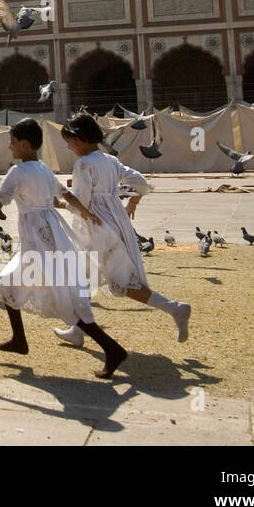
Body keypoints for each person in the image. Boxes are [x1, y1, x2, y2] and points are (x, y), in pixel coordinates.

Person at [0, 118, 130, 380]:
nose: (10, 148)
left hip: (38, 243)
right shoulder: (43, 169)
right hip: (49, 236)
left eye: (11, 143)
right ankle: (19, 340)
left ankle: (113, 349)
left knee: (63, 301)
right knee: (9, 284)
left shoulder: (17, 173)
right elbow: (66, 195)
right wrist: (87, 213)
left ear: (23, 144)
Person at [54, 113, 191, 346]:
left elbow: (82, 203)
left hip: (97, 227)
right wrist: (132, 203)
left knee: (121, 283)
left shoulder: (83, 165)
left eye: (70, 140)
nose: (68, 146)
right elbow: (140, 182)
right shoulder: (109, 160)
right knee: (82, 275)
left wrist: (58, 203)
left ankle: (175, 308)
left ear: (82, 138)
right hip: (116, 220)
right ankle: (77, 329)